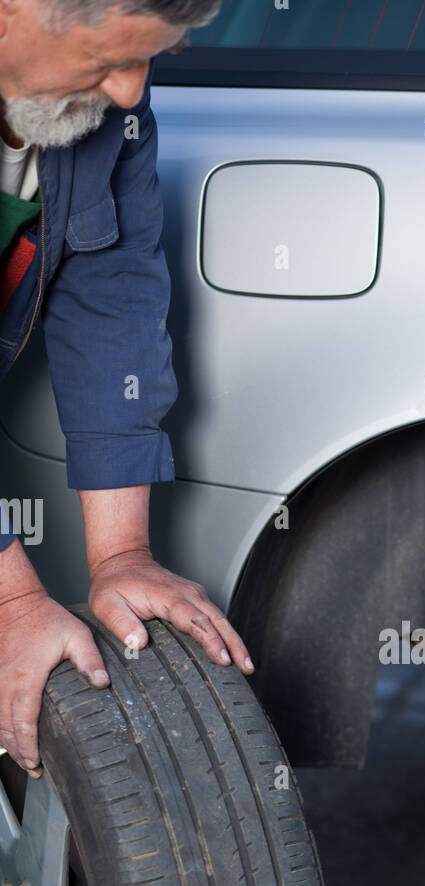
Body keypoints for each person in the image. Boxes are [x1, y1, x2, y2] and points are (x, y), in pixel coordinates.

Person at [0, 0, 251, 782]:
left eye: (152, 58)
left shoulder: (109, 115)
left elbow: (112, 298)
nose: (132, 92)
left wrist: (122, 554)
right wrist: (10, 601)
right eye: (107, 60)